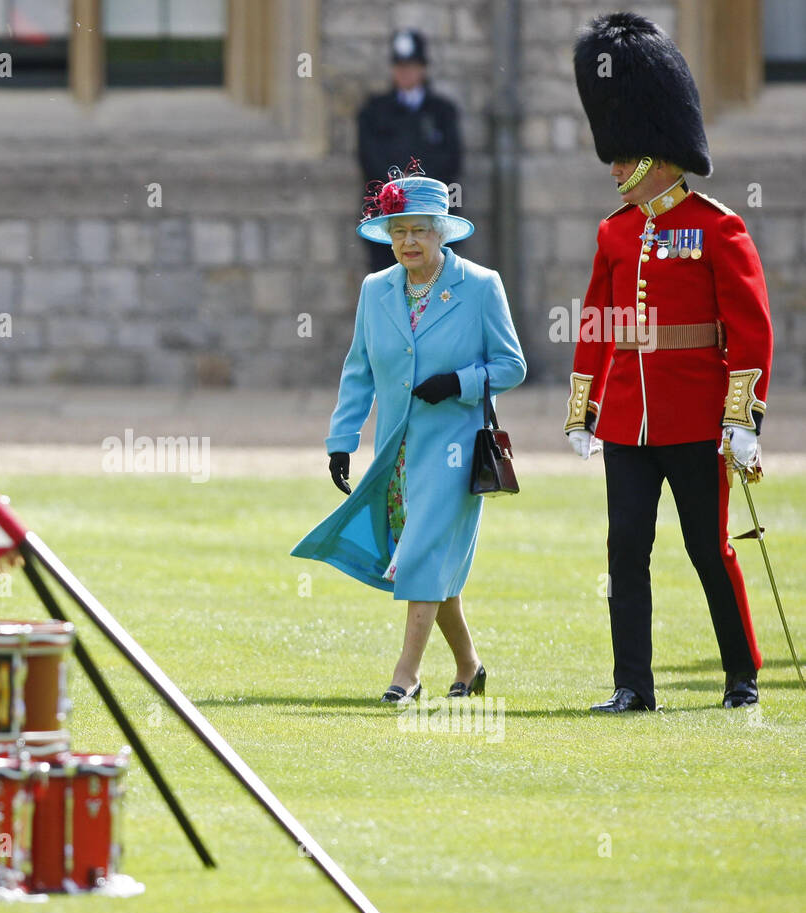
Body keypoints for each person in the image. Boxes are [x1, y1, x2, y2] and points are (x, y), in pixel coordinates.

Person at [566, 13, 774, 713]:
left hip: (694, 418)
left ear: (658, 153)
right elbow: (598, 322)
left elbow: (750, 331)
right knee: (626, 550)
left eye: (625, 157)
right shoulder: (615, 233)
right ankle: (634, 685)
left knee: (708, 549)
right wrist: (583, 408)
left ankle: (741, 674)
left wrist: (743, 420)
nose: (616, 168)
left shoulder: (720, 227)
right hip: (629, 419)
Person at [292, 167, 526, 703]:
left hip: (456, 451)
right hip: (396, 455)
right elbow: (359, 370)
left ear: (441, 231)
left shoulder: (481, 286)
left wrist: (461, 383)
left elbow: (512, 366)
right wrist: (341, 439)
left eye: (420, 230)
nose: (408, 242)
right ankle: (469, 665)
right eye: (398, 231)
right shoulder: (375, 291)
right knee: (430, 561)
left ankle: (406, 675)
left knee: (420, 555)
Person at [356, 29, 463, 273]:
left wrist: (419, 198)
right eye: (400, 66)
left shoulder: (442, 112)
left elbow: (451, 162)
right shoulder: (374, 111)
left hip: (433, 222)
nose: (406, 73)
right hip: (388, 224)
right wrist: (399, 198)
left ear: (423, 69)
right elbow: (369, 160)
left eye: (412, 66)